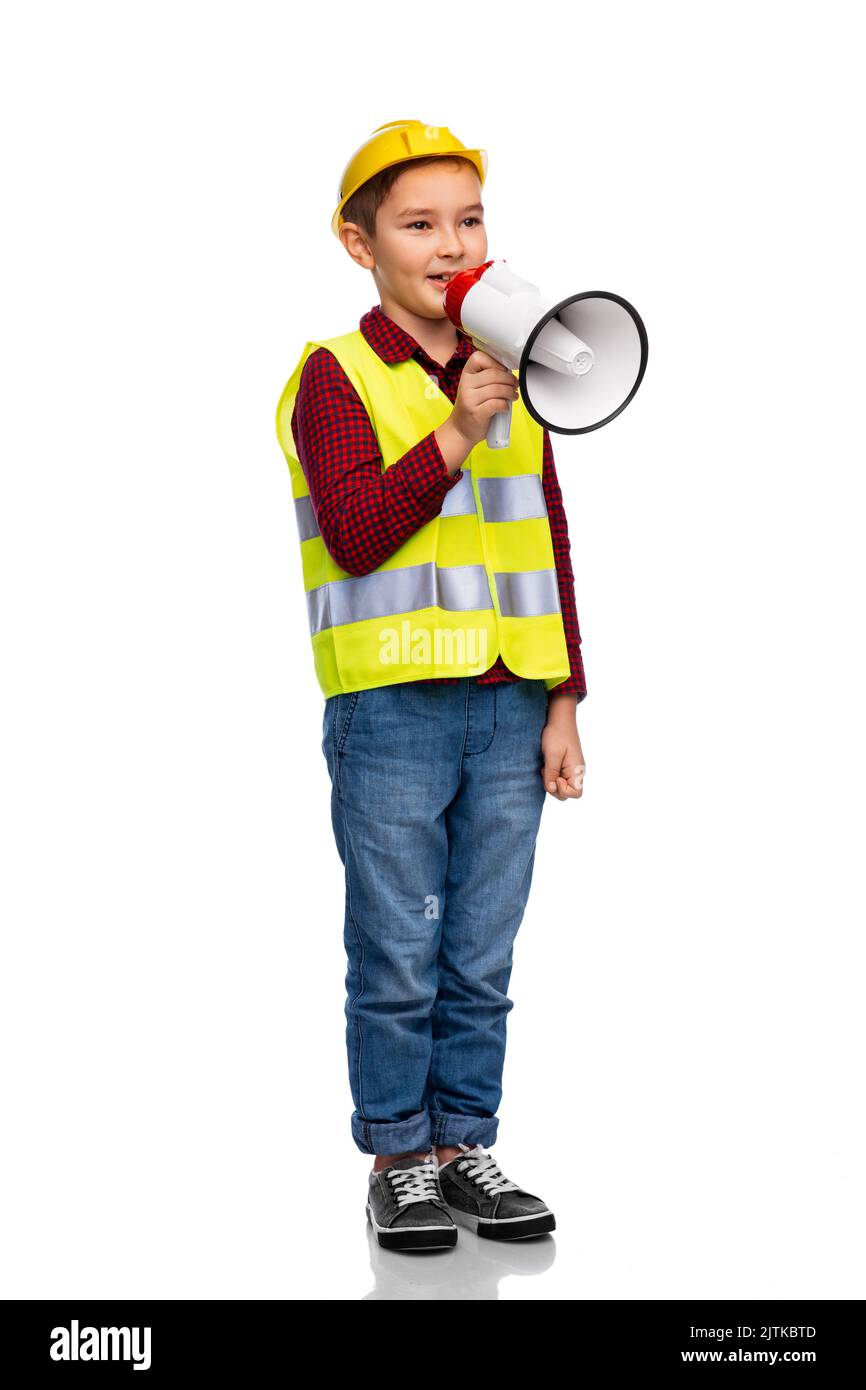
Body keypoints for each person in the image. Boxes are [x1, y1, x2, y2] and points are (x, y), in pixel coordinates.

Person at [275, 120, 586, 1251]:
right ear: (360, 246)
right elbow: (357, 533)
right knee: (399, 947)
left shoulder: (516, 372)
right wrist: (457, 425)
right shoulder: (335, 375)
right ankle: (398, 1156)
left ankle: (465, 1146)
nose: (451, 245)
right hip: (392, 713)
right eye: (419, 224)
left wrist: (563, 700)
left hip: (509, 703)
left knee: (481, 949)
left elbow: (541, 540)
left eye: (469, 219)